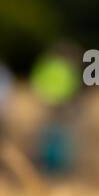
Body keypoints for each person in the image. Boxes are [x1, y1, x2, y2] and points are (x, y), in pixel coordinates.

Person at [30, 42, 83, 176]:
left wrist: (45, 98)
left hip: (49, 104)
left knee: (50, 136)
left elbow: (37, 84)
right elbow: (73, 87)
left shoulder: (46, 66)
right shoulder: (67, 68)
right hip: (62, 106)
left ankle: (50, 166)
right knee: (61, 137)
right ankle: (60, 168)